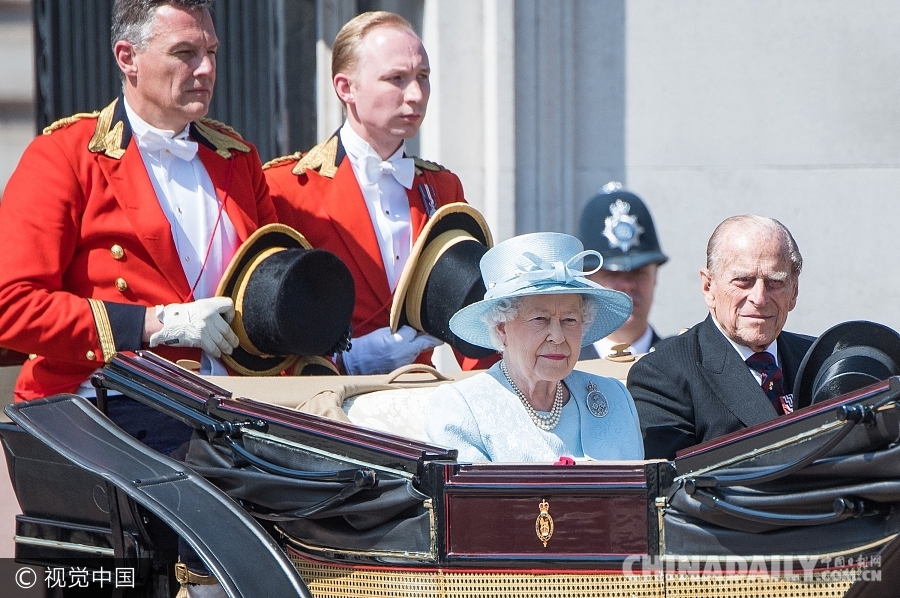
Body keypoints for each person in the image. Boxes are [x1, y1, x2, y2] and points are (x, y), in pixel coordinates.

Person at [0, 0, 276, 448]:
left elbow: (271, 287)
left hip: (236, 405)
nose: (206, 68)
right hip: (108, 404)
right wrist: (155, 323)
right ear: (127, 57)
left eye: (213, 51)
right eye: (185, 52)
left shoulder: (238, 159)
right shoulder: (65, 157)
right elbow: (12, 305)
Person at [265, 11, 490, 375]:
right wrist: (347, 359)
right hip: (327, 408)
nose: (416, 95)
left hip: (421, 399)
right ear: (345, 87)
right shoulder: (287, 187)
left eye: (423, 77)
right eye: (396, 79)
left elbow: (470, 312)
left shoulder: (442, 187)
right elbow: (268, 326)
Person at [424, 232, 644, 463]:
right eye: (540, 319)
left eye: (569, 320)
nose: (558, 337)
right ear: (502, 328)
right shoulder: (461, 409)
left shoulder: (614, 397)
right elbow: (468, 498)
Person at [627, 215, 813, 460]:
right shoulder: (664, 376)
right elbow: (674, 490)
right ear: (708, 287)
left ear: (794, 291)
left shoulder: (821, 360)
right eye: (743, 281)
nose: (759, 297)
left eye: (775, 282)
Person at [577, 181, 668, 359]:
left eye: (638, 272)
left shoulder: (680, 367)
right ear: (586, 281)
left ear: (655, 275)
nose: (627, 285)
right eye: (612, 274)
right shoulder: (562, 373)